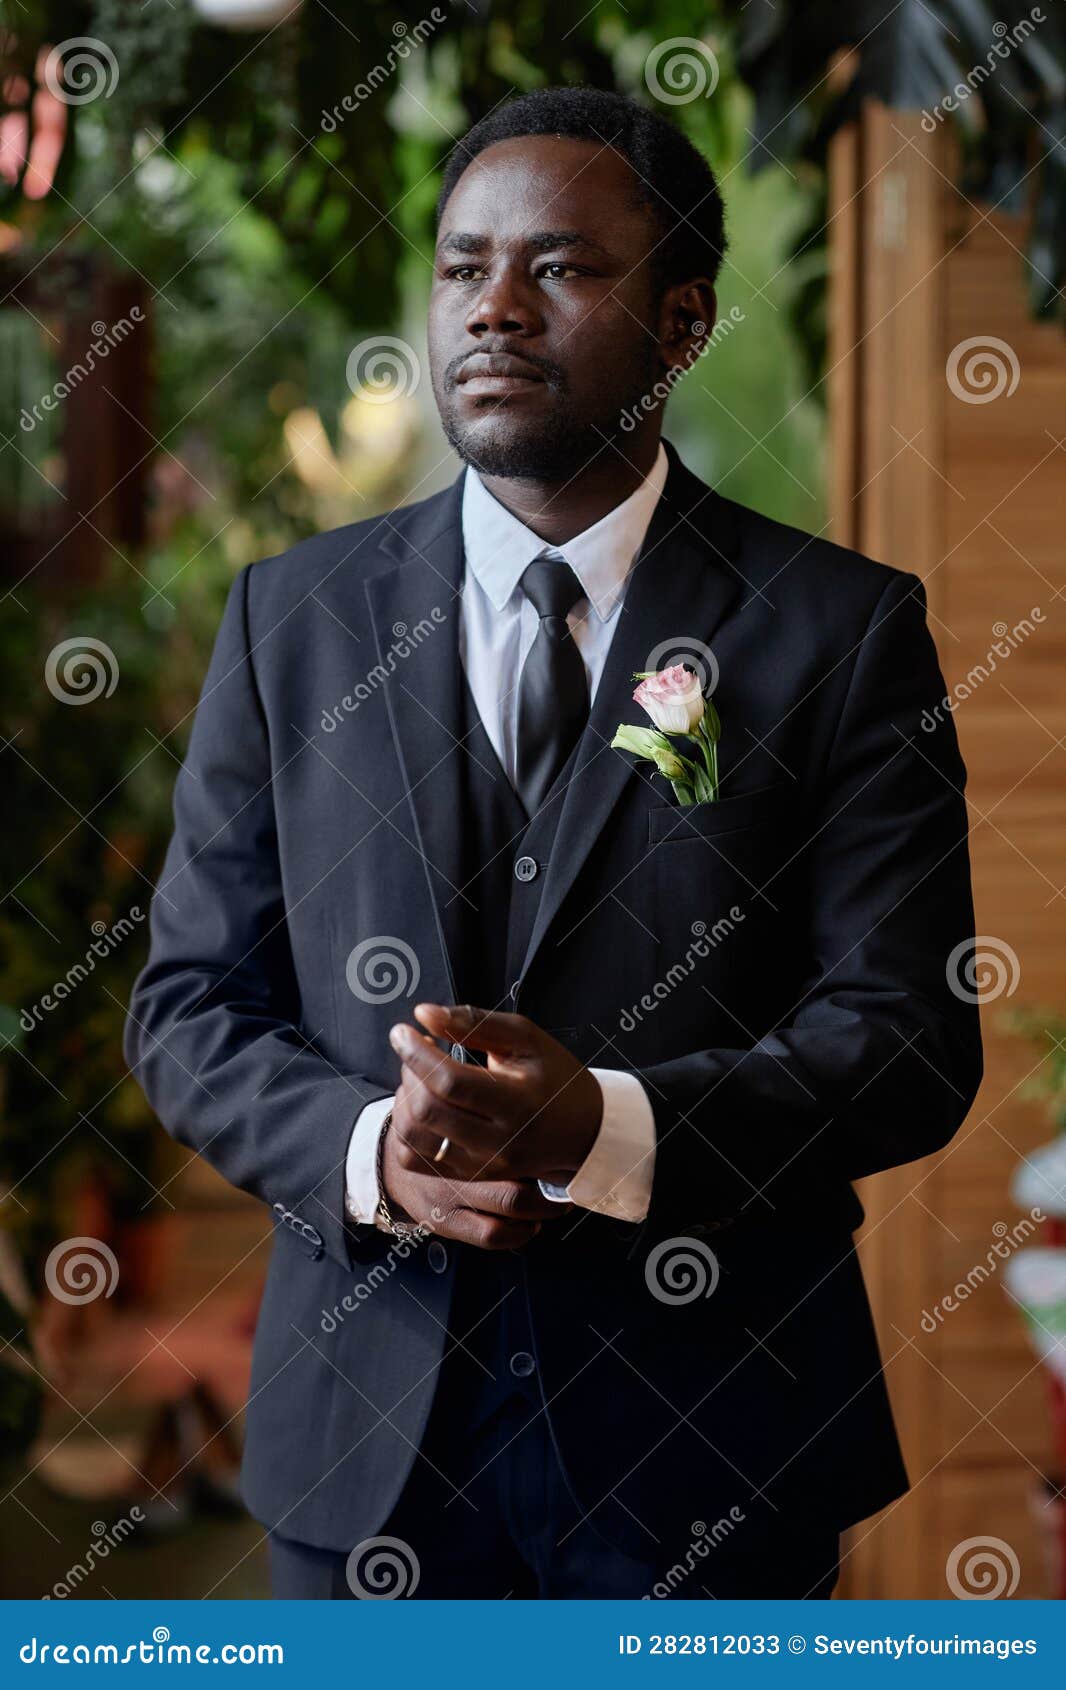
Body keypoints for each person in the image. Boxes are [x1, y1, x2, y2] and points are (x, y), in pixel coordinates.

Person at [125, 86, 982, 1599]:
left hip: (715, 1447)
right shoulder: (293, 623)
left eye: (563, 269)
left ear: (683, 319)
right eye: (462, 268)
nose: (495, 310)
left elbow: (905, 1035)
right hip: (363, 1443)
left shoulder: (840, 633)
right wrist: (370, 1150)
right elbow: (187, 1006)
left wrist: (609, 1128)